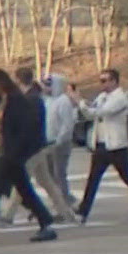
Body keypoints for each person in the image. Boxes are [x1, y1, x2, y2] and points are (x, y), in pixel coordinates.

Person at [0, 69, 57, 244]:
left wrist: (16, 151)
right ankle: (46, 222)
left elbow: (25, 129)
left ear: (0, 83)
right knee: (25, 191)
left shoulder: (17, 100)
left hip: (11, 153)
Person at [75, 68, 128, 224]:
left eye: (105, 80)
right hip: (101, 144)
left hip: (116, 146)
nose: (102, 84)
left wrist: (80, 102)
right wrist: (83, 105)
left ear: (114, 81)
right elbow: (91, 112)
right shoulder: (102, 97)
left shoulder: (121, 98)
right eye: (100, 80)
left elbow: (102, 112)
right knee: (93, 180)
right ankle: (83, 212)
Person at [38, 74, 79, 214]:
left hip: (60, 144)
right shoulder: (46, 101)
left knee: (59, 173)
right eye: (44, 85)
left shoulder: (63, 101)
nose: (46, 88)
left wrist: (59, 140)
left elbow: (67, 125)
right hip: (47, 143)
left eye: (49, 84)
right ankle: (65, 199)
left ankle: (62, 207)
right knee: (49, 175)